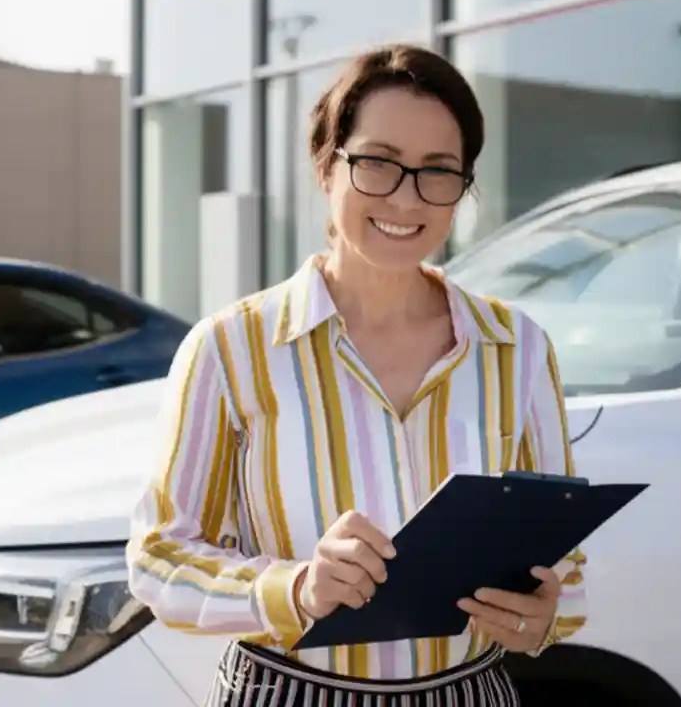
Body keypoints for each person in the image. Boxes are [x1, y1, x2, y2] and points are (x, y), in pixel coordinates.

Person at [126, 44, 587, 706]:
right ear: (326, 165)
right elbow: (159, 559)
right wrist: (297, 587)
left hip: (468, 692)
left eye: (438, 171)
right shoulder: (231, 349)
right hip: (291, 693)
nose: (407, 196)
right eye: (378, 163)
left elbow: (562, 555)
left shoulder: (517, 348)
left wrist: (545, 616)